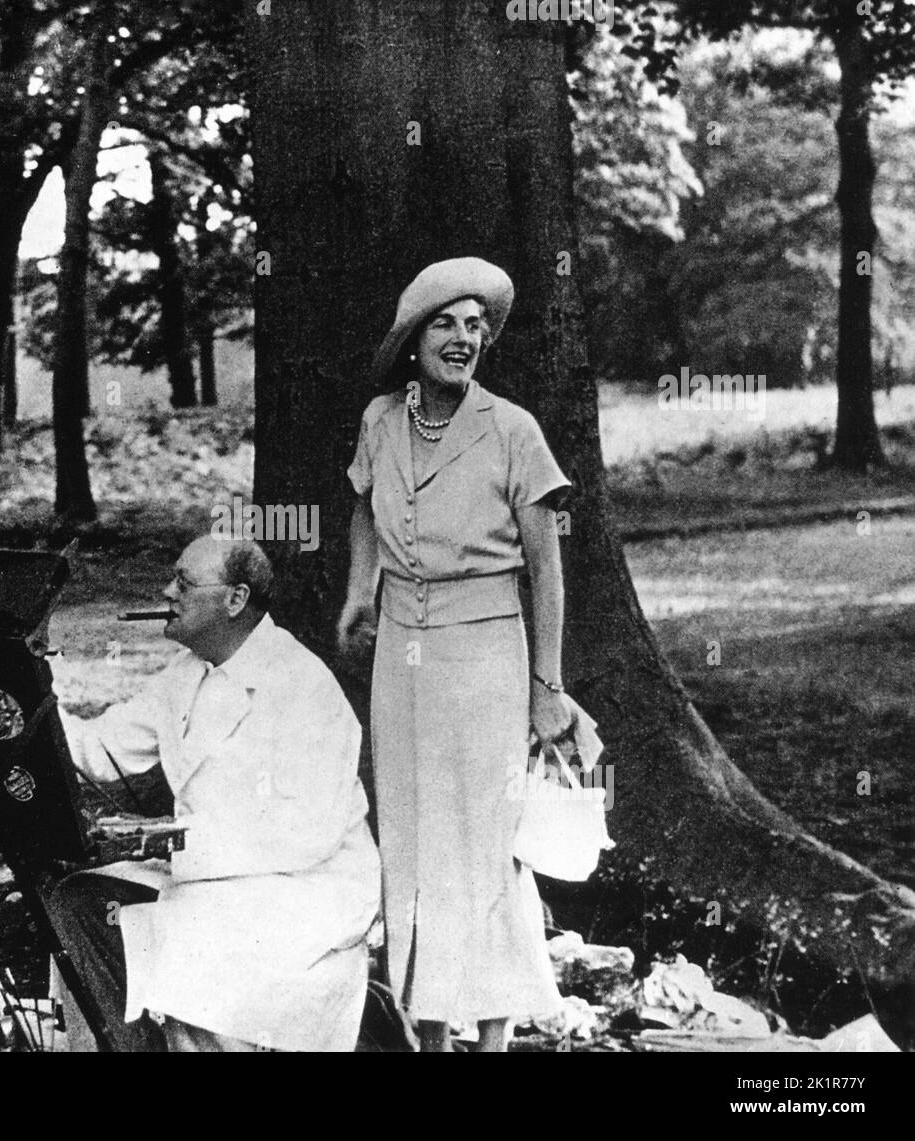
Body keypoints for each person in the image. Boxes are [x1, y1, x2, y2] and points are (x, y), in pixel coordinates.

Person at [337, 257, 578, 1053]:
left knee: (483, 835)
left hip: (485, 653)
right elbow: (365, 509)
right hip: (401, 652)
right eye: (447, 323)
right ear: (414, 339)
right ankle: (430, 1028)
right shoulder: (380, 419)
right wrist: (359, 593)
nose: (464, 338)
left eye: (476, 325)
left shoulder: (511, 429)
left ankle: (496, 1031)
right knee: (410, 834)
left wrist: (548, 686)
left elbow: (545, 566)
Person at [48, 535, 382, 1051]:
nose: (167, 591)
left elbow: (309, 834)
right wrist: (37, 683)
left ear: (235, 599)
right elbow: (98, 750)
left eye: (183, 582)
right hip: (211, 877)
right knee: (80, 902)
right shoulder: (184, 675)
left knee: (197, 938)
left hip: (304, 887)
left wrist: (178, 843)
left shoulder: (302, 685)